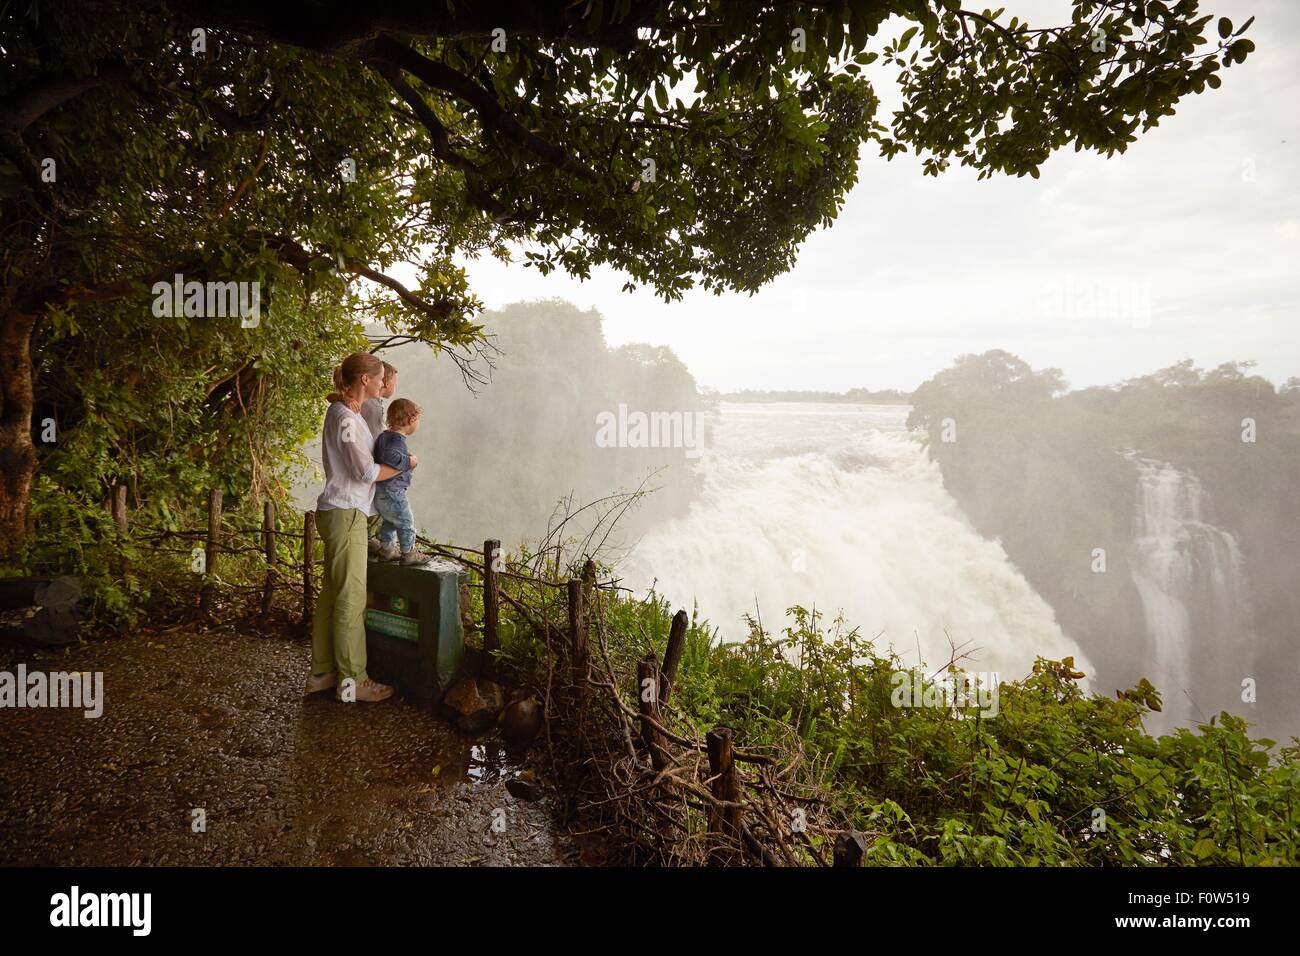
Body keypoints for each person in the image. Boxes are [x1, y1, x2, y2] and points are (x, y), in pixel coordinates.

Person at [305, 352, 400, 703]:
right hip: (346, 513)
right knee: (350, 598)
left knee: (333, 595)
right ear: (364, 380)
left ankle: (323, 673)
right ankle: (353, 681)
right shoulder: (345, 415)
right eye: (379, 378)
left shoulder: (345, 411)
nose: (382, 384)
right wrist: (405, 467)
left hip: (341, 511)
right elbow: (365, 472)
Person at [372, 398, 432, 566]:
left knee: (390, 521)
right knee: (405, 521)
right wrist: (408, 462)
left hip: (381, 490)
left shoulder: (384, 436)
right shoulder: (397, 440)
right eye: (417, 420)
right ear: (411, 420)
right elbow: (390, 456)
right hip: (393, 491)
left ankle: (387, 550)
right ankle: (409, 553)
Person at [362, 362, 397, 556]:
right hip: (372, 465)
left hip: (368, 464)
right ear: (386, 382)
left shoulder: (371, 403)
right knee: (385, 500)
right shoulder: (373, 406)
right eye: (394, 382)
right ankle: (373, 540)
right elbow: (377, 439)